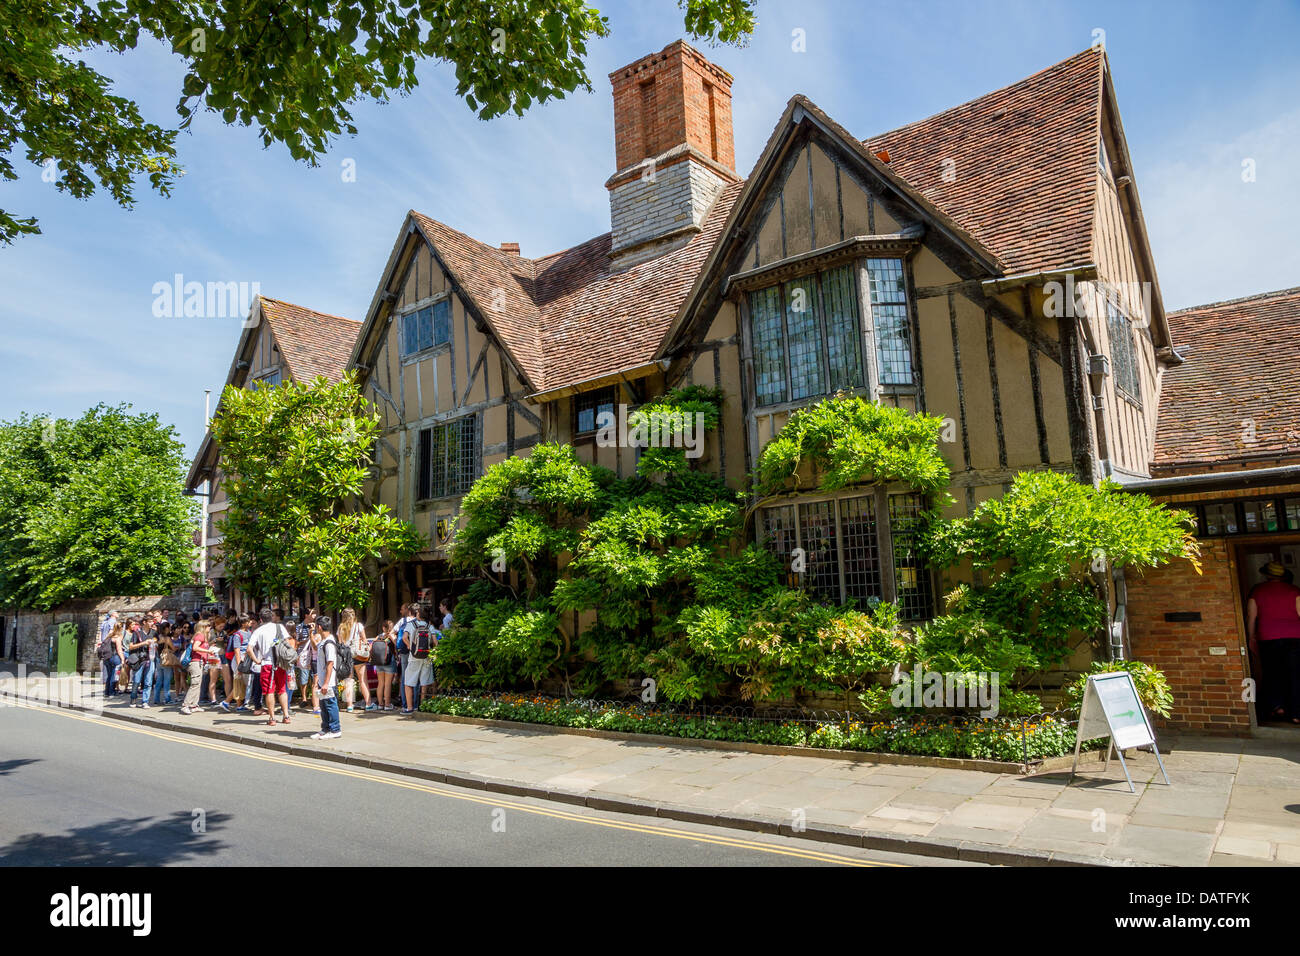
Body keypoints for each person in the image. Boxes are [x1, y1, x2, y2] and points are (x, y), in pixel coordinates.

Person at [1246, 561, 1300, 724]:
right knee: (1296, 674)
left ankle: (1278, 707)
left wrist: (1251, 637)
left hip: (1268, 637)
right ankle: (1297, 713)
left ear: (1267, 575)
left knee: (1272, 672)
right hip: (1295, 637)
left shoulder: (1257, 591)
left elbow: (1251, 617)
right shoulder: (1295, 591)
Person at [247, 607, 291, 725]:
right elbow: (288, 642)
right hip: (280, 663)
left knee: (269, 691)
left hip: (266, 664)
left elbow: (249, 649)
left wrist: (256, 660)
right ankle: (286, 716)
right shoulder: (279, 627)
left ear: (260, 619)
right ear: (271, 617)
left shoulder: (258, 631)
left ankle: (272, 719)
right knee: (282, 690)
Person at [401, 604, 439, 714]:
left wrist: (410, 647)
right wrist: (433, 653)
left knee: (408, 682)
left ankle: (409, 708)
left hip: (414, 657)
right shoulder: (429, 626)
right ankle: (421, 706)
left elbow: (404, 638)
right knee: (424, 682)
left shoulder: (411, 624)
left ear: (418, 614)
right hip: (426, 657)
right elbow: (435, 642)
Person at [311, 615, 342, 740]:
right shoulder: (323, 641)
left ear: (319, 627)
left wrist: (326, 683)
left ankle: (335, 729)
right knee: (323, 705)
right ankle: (325, 728)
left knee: (330, 704)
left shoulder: (329, 642)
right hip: (323, 680)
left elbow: (330, 664)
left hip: (328, 681)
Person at [337, 608, 374, 713]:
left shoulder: (340, 628)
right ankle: (368, 704)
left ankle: (349, 706)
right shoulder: (359, 626)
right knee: (363, 680)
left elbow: (340, 644)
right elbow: (364, 640)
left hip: (346, 656)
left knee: (349, 680)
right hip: (358, 655)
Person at [179, 622, 218, 715]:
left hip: (200, 662)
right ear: (203, 627)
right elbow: (195, 648)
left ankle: (194, 705)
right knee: (195, 683)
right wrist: (208, 651)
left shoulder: (203, 636)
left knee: (198, 683)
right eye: (208, 626)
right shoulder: (200, 635)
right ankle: (186, 705)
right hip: (195, 662)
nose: (210, 627)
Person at [126, 617, 158, 709]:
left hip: (150, 659)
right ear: (144, 622)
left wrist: (155, 644)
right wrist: (144, 643)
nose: (152, 623)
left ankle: (145, 701)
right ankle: (133, 698)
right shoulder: (137, 633)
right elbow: (131, 647)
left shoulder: (154, 632)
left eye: (153, 621)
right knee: (136, 681)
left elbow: (158, 641)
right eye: (150, 621)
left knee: (148, 682)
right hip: (140, 660)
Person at [374, 620, 398, 711]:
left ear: (383, 627)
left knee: (380, 683)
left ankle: (380, 704)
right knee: (387, 684)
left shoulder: (378, 637)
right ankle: (387, 705)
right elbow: (397, 646)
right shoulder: (392, 636)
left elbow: (372, 647)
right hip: (389, 661)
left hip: (379, 662)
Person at [101, 621, 124, 697]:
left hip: (106, 658)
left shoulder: (109, 636)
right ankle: (112, 692)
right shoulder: (117, 638)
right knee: (114, 676)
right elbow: (119, 650)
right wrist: (123, 659)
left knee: (109, 675)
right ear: (121, 628)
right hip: (115, 657)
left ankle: (106, 692)